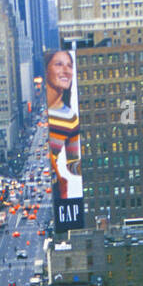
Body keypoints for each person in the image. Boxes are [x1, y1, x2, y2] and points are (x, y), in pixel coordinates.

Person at [44, 49, 82, 202]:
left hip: (54, 191)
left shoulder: (70, 118)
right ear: (46, 69)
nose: (66, 71)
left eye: (69, 66)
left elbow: (72, 164)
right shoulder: (37, 106)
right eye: (59, 64)